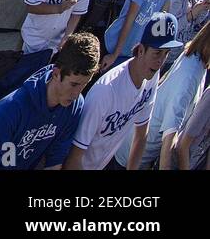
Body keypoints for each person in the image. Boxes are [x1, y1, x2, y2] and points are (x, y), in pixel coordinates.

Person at [0, 32, 100, 170]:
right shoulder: (11, 108)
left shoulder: (74, 106)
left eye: (84, 85)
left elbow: (55, 160)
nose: (76, 94)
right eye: (74, 84)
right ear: (56, 74)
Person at [65, 12, 183, 169]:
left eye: (166, 53)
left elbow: (141, 136)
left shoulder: (151, 75)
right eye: (157, 53)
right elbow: (74, 157)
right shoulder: (106, 92)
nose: (161, 61)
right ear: (140, 50)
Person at [119, 23, 210, 169]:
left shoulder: (199, 60)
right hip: (127, 159)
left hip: (140, 154)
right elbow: (170, 138)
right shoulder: (189, 76)